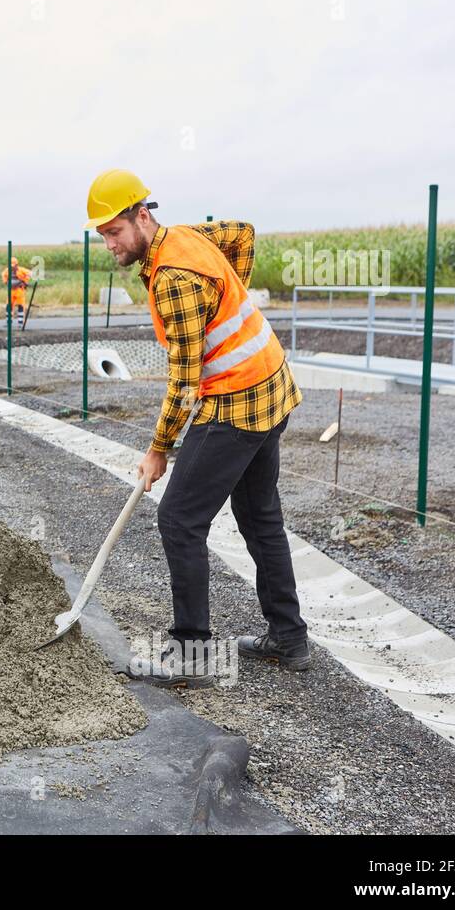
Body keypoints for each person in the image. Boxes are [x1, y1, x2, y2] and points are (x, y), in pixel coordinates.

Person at [84, 168, 308, 689]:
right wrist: (232, 294)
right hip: (271, 385)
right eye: (103, 236)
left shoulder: (173, 279)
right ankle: (289, 638)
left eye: (115, 232)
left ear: (142, 216)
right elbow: (243, 234)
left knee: (180, 520)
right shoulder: (186, 236)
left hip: (235, 403)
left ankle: (191, 654)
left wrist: (159, 449)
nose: (110, 244)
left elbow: (185, 382)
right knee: (259, 515)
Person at [1, 257, 31, 327]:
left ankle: (20, 322)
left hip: (19, 290)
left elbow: (29, 273)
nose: (12, 267)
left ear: (17, 265)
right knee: (9, 305)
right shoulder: (7, 271)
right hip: (11, 290)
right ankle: (8, 322)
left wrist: (25, 281)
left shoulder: (21, 270)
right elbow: (3, 276)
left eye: (14, 265)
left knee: (20, 305)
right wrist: (6, 282)